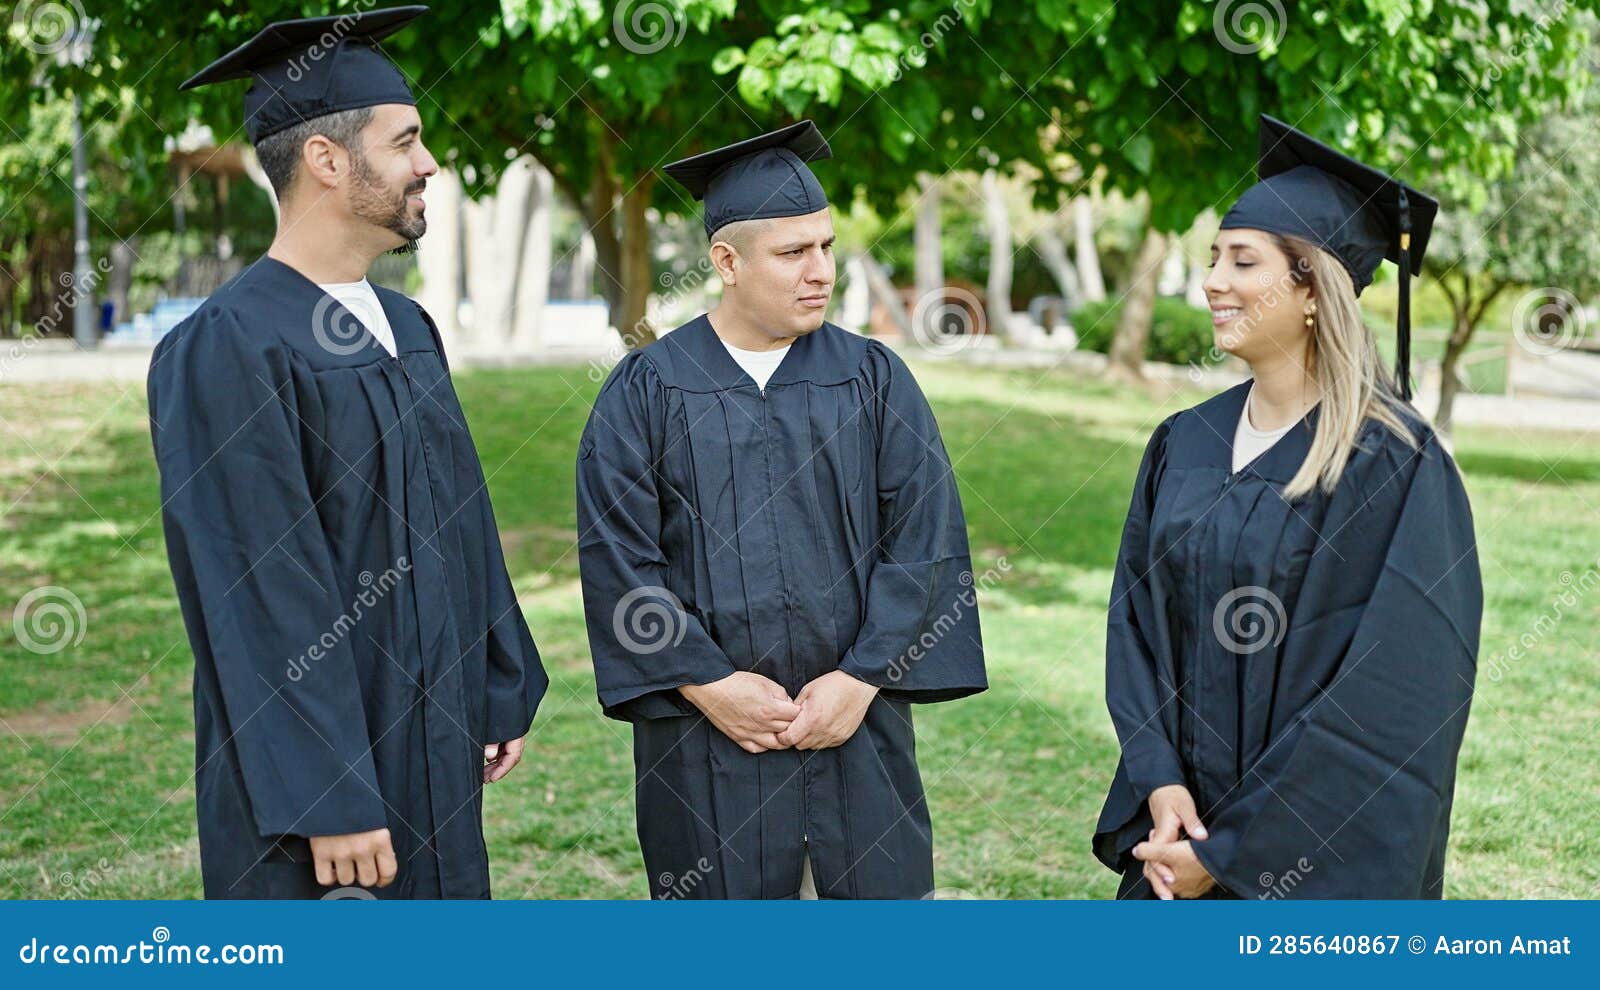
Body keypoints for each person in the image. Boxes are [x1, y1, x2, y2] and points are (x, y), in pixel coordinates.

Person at [149, 5, 547, 899]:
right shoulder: (230, 343)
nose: (429, 164)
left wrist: (495, 680)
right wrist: (326, 791)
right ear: (327, 160)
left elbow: (462, 515)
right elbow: (257, 583)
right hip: (324, 785)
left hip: (436, 738)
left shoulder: (406, 327)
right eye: (405, 141)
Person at [576, 121, 987, 899]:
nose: (821, 271)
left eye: (826, 247)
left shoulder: (872, 378)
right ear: (727, 262)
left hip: (854, 730)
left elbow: (922, 538)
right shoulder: (647, 390)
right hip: (705, 742)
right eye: (793, 253)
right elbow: (620, 562)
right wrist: (706, 682)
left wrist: (863, 678)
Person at [1092, 114, 1482, 899]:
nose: (1212, 282)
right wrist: (1162, 786)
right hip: (1173, 834)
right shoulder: (1184, 441)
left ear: (1313, 289)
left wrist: (1235, 852)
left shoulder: (1392, 464)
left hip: (1310, 861)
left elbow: (1394, 698)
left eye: (1243, 261)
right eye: (1212, 260)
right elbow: (1134, 624)